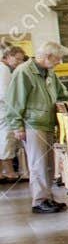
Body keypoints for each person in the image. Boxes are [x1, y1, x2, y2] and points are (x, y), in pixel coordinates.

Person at [2, 42, 68, 213]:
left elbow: (62, 94)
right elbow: (15, 101)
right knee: (38, 164)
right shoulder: (24, 71)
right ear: (47, 56)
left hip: (47, 122)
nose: (59, 62)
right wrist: (17, 126)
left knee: (48, 165)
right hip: (32, 124)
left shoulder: (49, 72)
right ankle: (39, 201)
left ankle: (48, 198)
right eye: (58, 58)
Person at [0, 45, 26, 181]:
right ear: (8, 56)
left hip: (3, 110)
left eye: (21, 60)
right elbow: (6, 94)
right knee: (7, 139)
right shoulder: (3, 70)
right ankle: (9, 172)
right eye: (17, 59)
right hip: (5, 111)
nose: (19, 63)